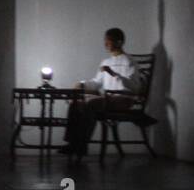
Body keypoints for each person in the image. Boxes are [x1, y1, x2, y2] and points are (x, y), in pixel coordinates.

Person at [60, 28, 143, 157]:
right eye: (105, 41)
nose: (105, 44)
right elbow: (97, 83)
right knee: (75, 102)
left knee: (91, 103)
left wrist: (113, 74)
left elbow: (135, 88)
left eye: (108, 41)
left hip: (124, 99)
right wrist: (82, 84)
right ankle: (72, 143)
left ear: (119, 42)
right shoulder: (106, 62)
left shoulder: (129, 61)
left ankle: (81, 145)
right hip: (107, 98)